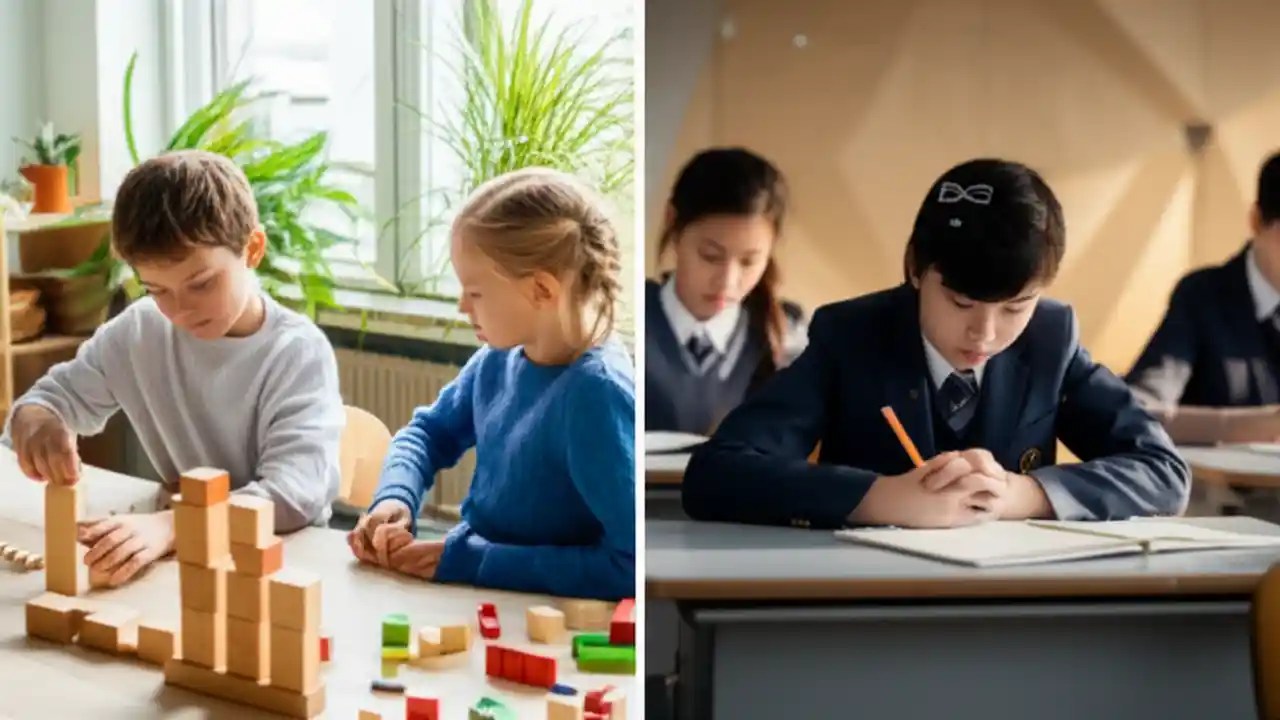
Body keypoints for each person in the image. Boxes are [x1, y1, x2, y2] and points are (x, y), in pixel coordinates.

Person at [682, 158, 1191, 528]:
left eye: (1015, 307)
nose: (985, 334)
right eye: (961, 303)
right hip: (865, 604)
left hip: (1016, 604)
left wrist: (1023, 494)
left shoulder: (1050, 340)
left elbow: (1164, 472)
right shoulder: (852, 336)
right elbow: (716, 473)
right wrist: (881, 498)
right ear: (917, 272)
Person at [4, 150, 344, 585]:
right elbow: (50, 399)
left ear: (252, 249)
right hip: (186, 560)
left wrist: (172, 526)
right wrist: (38, 421)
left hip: (285, 564)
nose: (180, 310)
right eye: (156, 289)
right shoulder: (140, 330)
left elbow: (294, 494)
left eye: (201, 284)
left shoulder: (296, 353)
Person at [347, 167, 635, 601]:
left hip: (545, 614)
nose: (462, 305)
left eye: (475, 292)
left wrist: (475, 560)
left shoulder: (596, 395)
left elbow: (628, 564)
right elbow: (428, 433)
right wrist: (396, 498)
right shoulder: (498, 357)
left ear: (540, 289)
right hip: (481, 593)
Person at [646, 148, 806, 435]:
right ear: (673, 222)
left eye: (749, 261)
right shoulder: (633, 321)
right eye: (710, 256)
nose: (728, 282)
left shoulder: (788, 336)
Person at [1127, 150, 1280, 445]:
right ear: (1256, 221)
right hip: (1218, 489)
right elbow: (1137, 410)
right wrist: (1257, 427)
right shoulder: (1202, 297)